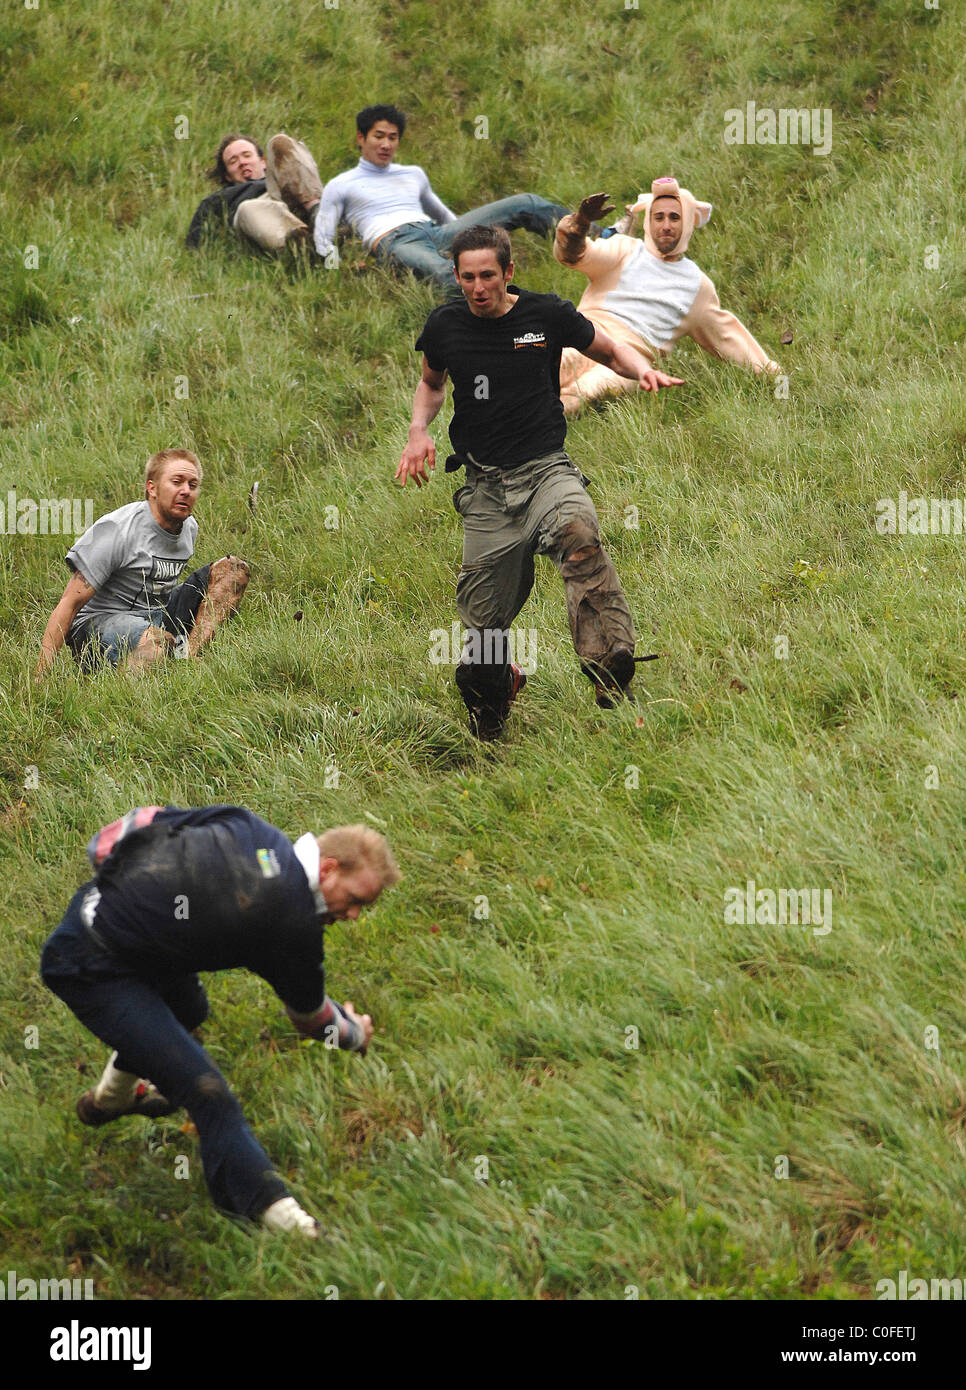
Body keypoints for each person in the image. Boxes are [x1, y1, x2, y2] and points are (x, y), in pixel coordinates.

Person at [40, 804, 401, 1236]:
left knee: (190, 1011)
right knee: (208, 1093)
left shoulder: (251, 827)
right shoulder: (293, 925)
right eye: (356, 900)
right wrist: (355, 1031)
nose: (354, 915)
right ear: (328, 870)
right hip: (91, 969)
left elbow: (143, 820)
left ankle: (113, 1098)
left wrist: (114, 885)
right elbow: (312, 1021)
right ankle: (285, 1221)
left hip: (97, 921)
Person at [395, 224, 681, 739]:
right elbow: (431, 384)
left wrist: (643, 371)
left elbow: (610, 351)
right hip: (485, 489)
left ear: (508, 272)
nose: (478, 287)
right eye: (467, 278)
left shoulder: (543, 315)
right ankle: (496, 692)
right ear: (457, 278)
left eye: (488, 275)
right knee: (482, 637)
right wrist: (418, 431)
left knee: (578, 533)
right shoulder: (446, 326)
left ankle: (607, 663)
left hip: (546, 470)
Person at [553, 178, 781, 413]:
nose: (666, 225)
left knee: (587, 393)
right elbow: (573, 255)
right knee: (550, 364)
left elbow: (730, 338)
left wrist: (775, 376)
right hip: (587, 335)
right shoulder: (625, 250)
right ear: (649, 220)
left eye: (675, 218)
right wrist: (580, 224)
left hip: (630, 363)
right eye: (658, 217)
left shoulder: (696, 285)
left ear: (688, 223)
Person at [34, 448, 249, 678]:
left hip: (157, 614)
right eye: (177, 482)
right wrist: (40, 677)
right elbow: (69, 604)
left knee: (233, 569)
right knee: (158, 642)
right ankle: (122, 684)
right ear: (152, 488)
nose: (185, 491)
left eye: (192, 485)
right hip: (99, 625)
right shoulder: (116, 531)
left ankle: (188, 658)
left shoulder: (189, 528)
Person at [313, 104, 570, 292]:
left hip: (436, 232)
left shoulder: (413, 174)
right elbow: (323, 231)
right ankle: (495, 326)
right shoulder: (341, 184)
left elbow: (443, 215)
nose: (386, 145)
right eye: (378, 136)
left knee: (526, 203)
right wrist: (334, 272)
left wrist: (466, 240)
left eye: (392, 138)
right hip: (395, 243)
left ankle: (598, 240)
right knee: (451, 274)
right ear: (361, 137)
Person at [185, 132, 324, 255]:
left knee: (279, 141)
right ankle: (302, 247)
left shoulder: (279, 177)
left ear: (263, 162)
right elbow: (194, 245)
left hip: (294, 199)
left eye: (247, 155)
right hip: (261, 218)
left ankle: (319, 216)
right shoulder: (219, 199)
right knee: (247, 207)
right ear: (228, 176)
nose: (242, 162)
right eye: (233, 161)